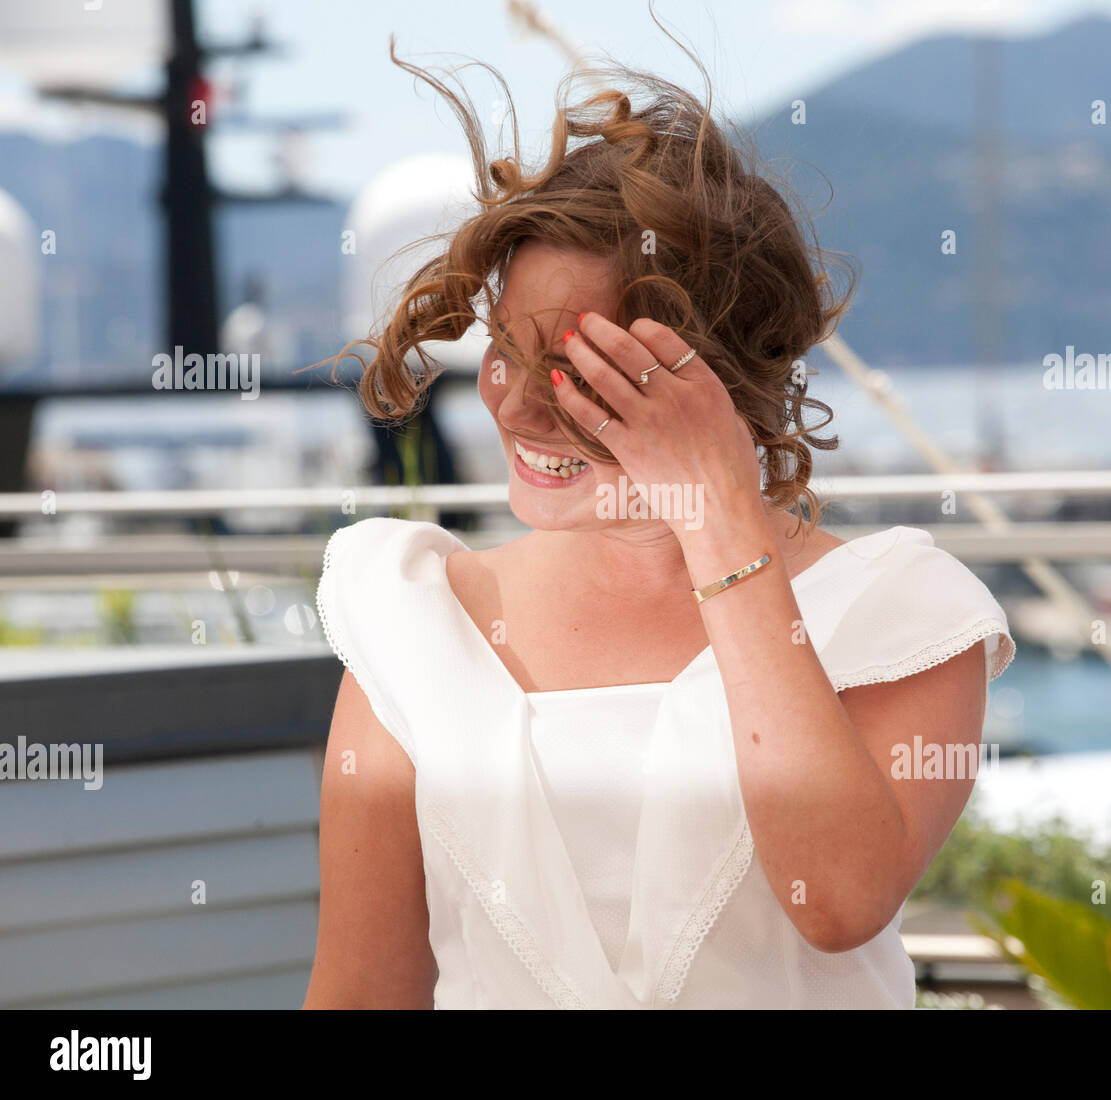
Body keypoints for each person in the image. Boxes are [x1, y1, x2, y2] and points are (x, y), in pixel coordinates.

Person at [303, 37, 1014, 1010]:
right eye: (506, 353)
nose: (516, 408)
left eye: (580, 372)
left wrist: (716, 512)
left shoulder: (902, 612)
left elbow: (838, 898)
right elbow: (360, 993)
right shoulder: (416, 621)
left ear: (715, 384)